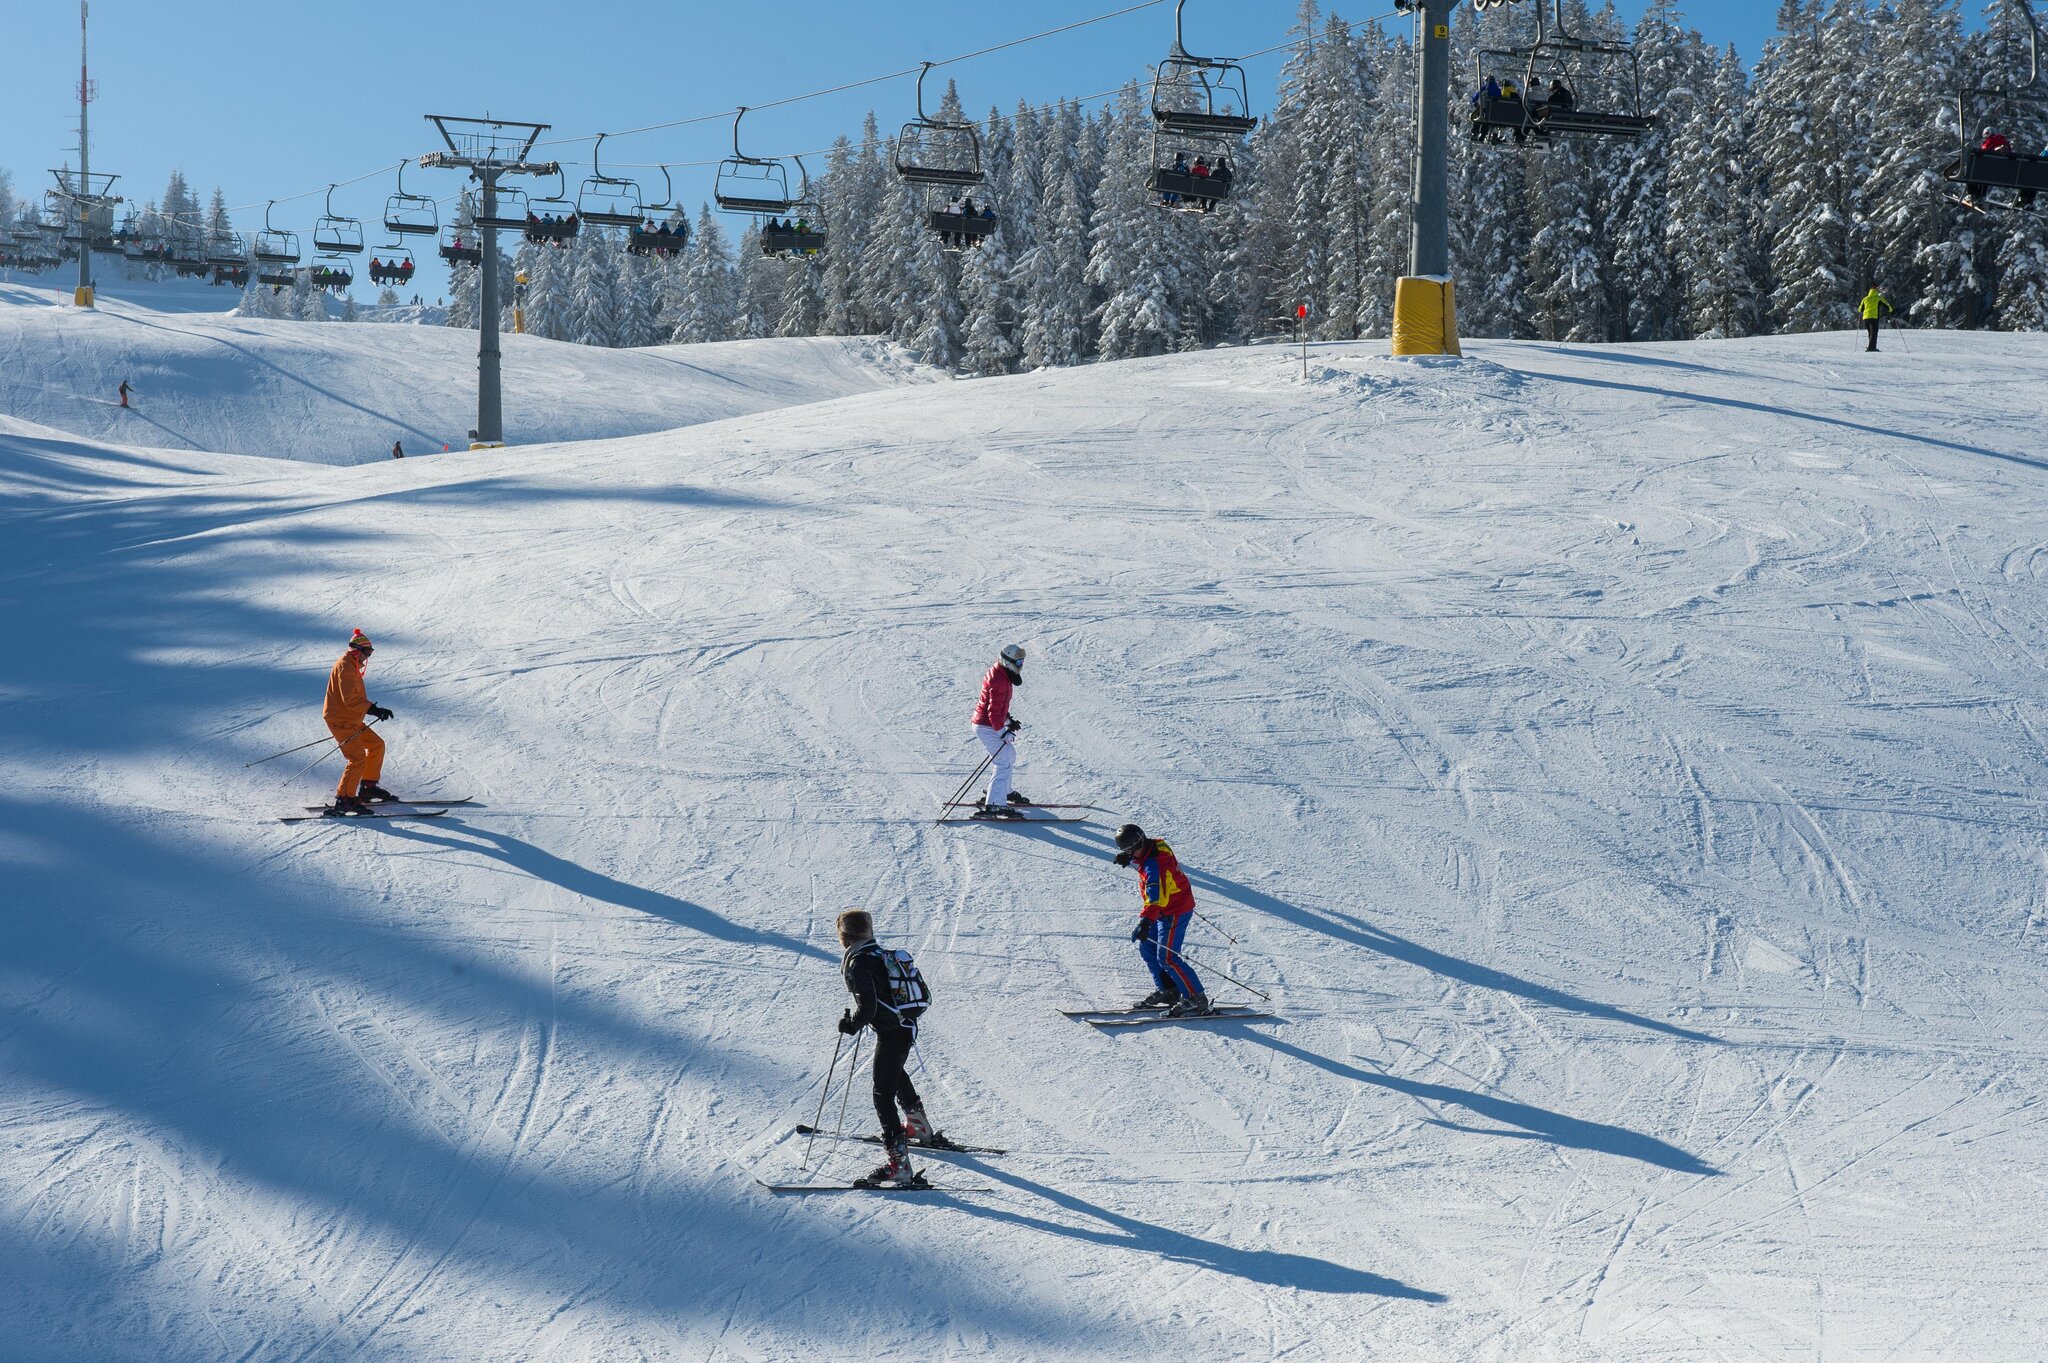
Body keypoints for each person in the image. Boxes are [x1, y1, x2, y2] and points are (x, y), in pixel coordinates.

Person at [835, 910, 933, 1187]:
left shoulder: (859, 964)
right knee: (894, 1072)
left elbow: (868, 1008)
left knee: (882, 1094)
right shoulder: (880, 955)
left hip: (893, 1033)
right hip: (902, 1027)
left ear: (843, 936)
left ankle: (899, 1165)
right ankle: (919, 1127)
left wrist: (850, 1025)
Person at [1113, 824, 1209, 1016]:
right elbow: (1148, 859)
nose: (1130, 853)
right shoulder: (1156, 844)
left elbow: (1157, 898)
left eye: (1130, 850)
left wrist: (1145, 922)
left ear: (1138, 844)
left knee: (1168, 956)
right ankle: (1169, 989)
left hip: (1175, 911)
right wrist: (1131, 858)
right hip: (1166, 909)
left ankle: (1196, 997)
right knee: (1147, 946)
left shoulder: (1154, 867)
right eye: (1126, 851)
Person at [323, 629, 396, 814]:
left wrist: (371, 710)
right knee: (357, 759)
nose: (367, 657)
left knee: (376, 745)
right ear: (357, 651)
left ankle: (367, 787)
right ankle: (344, 799)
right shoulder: (346, 668)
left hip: (351, 719)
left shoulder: (351, 665)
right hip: (342, 720)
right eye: (367, 653)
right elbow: (350, 699)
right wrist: (374, 710)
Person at [969, 644, 1028, 818]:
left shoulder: (1002, 674)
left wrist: (1008, 720)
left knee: (1009, 755)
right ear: (1008, 661)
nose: (1021, 665)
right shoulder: (999, 680)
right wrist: (1003, 731)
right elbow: (993, 712)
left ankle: (1003, 791)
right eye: (1018, 662)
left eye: (1022, 661)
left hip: (988, 723)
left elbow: (998, 706)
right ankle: (994, 803)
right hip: (986, 725)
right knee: (1003, 761)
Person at [1969, 129, 2012, 202]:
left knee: (1973, 172)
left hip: (1988, 172)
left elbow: (1984, 152)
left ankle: (1974, 195)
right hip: (2002, 174)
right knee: (1986, 173)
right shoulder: (2005, 143)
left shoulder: (1990, 141)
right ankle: (1981, 196)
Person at [1857, 286, 1895, 352]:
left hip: (1866, 318)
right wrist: (1891, 310)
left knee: (1870, 332)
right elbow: (1886, 305)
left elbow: (1860, 309)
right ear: (1876, 291)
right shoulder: (1878, 298)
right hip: (1873, 317)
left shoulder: (1865, 299)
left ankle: (1870, 346)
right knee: (1874, 332)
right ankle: (1871, 348)